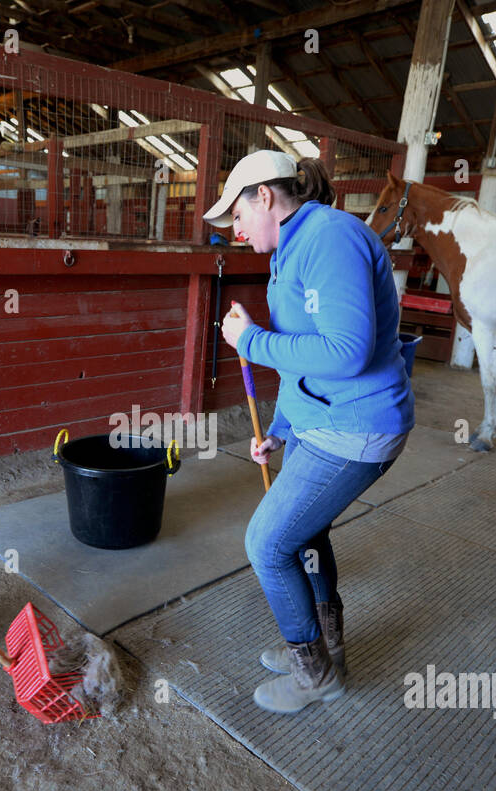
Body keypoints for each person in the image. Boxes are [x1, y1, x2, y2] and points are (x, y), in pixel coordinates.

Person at [203, 150, 414, 715]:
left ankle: (315, 673)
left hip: (357, 426)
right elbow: (304, 362)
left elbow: (346, 352)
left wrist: (250, 342)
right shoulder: (291, 247)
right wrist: (280, 428)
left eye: (238, 217)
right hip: (318, 420)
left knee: (267, 544)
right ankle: (329, 648)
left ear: (266, 196)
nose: (236, 230)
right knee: (306, 535)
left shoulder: (329, 238)